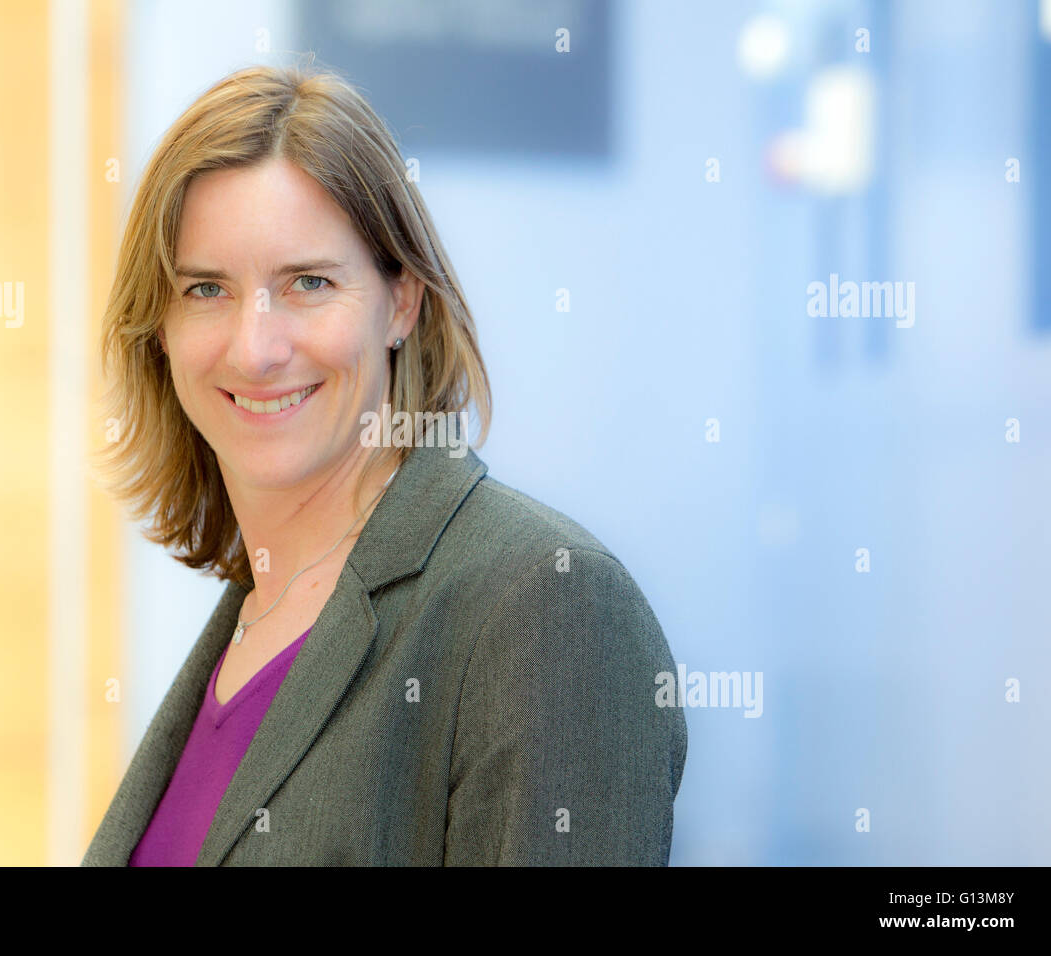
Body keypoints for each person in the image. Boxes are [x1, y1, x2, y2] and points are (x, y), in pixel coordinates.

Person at [82, 62, 686, 866]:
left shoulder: (547, 603)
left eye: (308, 283)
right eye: (205, 290)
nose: (255, 347)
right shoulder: (253, 616)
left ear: (400, 301)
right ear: (157, 325)